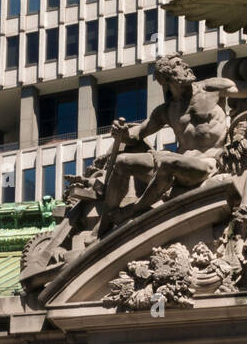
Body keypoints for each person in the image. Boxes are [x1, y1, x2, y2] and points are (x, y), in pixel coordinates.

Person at [101, 54, 236, 226]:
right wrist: (122, 132)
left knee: (167, 161)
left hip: (207, 164)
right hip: (178, 164)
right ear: (167, 78)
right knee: (122, 162)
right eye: (179, 65)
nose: (186, 67)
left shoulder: (211, 88)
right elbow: (138, 133)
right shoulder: (166, 111)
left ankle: (132, 210)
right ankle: (105, 224)